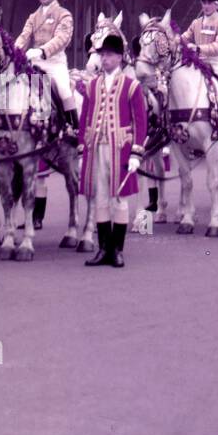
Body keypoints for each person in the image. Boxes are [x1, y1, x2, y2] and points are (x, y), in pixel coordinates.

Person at [77, 33, 147, 268]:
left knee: (119, 199)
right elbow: (85, 118)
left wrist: (137, 152)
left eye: (108, 55)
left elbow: (140, 121)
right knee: (100, 199)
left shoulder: (131, 85)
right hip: (96, 148)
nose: (104, 59)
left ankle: (117, 250)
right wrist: (81, 149)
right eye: (102, 55)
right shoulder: (92, 85)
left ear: (119, 57)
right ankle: (103, 249)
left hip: (121, 150)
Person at [14, 0, 77, 132]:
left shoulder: (64, 15)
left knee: (63, 88)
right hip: (35, 62)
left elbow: (62, 38)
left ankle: (72, 127)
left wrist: (42, 51)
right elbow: (24, 36)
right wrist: (14, 51)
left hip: (54, 63)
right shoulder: (33, 16)